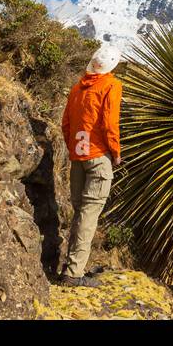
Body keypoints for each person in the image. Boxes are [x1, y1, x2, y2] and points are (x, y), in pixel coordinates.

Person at [58, 43, 123, 287]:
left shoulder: (76, 89)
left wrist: (74, 149)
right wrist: (115, 152)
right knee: (89, 212)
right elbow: (109, 122)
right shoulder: (111, 86)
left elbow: (66, 124)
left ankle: (71, 266)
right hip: (98, 156)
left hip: (78, 158)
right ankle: (74, 273)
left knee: (80, 212)